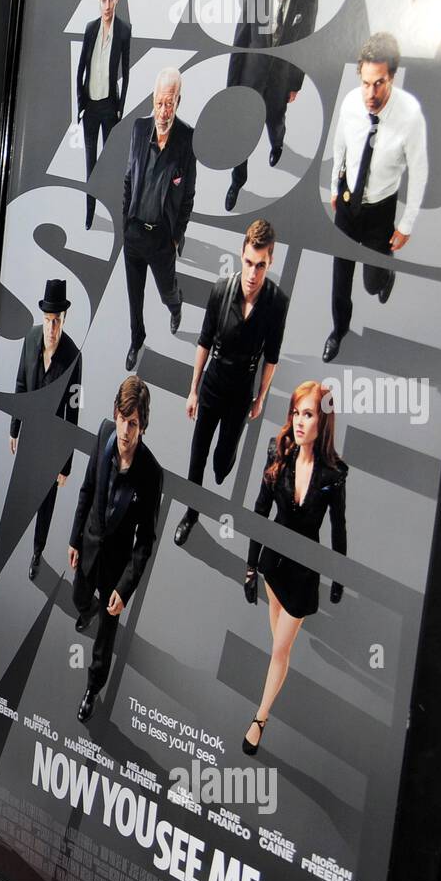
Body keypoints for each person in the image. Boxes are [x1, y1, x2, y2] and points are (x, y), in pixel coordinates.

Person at [243, 381, 348, 754]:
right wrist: (251, 566)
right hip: (273, 562)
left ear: (323, 422)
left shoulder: (334, 474)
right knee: (279, 646)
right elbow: (259, 510)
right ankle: (276, 681)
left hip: (304, 573)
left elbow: (338, 525)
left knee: (279, 651)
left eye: (309, 414)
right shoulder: (278, 450)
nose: (300, 421)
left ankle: (260, 719)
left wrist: (338, 576)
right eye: (296, 413)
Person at [175, 219, 288, 547]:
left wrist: (261, 397)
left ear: (271, 262)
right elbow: (204, 341)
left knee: (222, 462)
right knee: (198, 453)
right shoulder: (222, 290)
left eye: (261, 265)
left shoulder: (276, 303)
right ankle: (190, 514)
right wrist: (193, 389)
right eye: (249, 263)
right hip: (213, 384)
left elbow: (273, 357)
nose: (253, 274)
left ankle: (226, 458)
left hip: (242, 391)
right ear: (242, 255)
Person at [324, 31, 427, 362]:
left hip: (381, 210)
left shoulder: (409, 115)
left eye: (379, 83)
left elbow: (420, 170)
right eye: (366, 82)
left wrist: (407, 224)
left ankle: (385, 272)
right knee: (341, 277)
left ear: (392, 77)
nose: (371, 92)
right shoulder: (351, 103)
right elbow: (340, 143)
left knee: (371, 284)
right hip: (348, 202)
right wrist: (333, 185)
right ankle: (339, 330)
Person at [68, 376, 164, 723]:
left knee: (105, 640)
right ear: (115, 415)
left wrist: (125, 589)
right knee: (78, 600)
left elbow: (146, 541)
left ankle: (93, 688)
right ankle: (87, 608)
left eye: (133, 423)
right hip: (89, 545)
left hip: (117, 567)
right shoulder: (103, 434)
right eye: (123, 420)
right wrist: (75, 538)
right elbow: (87, 488)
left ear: (143, 425)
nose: (125, 430)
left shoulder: (151, 473)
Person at [224, 0, 319, 213]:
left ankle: (277, 145)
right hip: (250, 78)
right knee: (242, 134)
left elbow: (306, 37)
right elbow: (240, 42)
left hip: (281, 80)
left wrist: (296, 83)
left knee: (276, 120)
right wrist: (231, 90)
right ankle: (238, 179)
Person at [120, 69, 196, 371]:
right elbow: (128, 177)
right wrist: (126, 221)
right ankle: (136, 340)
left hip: (163, 238)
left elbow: (188, 196)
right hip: (135, 234)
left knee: (167, 291)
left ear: (178, 102)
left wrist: (176, 237)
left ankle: (176, 307)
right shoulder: (139, 129)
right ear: (153, 100)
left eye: (170, 104)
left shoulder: (187, 139)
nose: (164, 111)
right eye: (159, 103)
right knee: (134, 297)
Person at [10, 279, 83, 580]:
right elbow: (20, 384)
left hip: (53, 443)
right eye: (48, 320)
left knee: (46, 501)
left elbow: (73, 413)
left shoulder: (74, 357)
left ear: (64, 319)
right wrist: (15, 428)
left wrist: (66, 464)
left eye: (57, 321)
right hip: (29, 436)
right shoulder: (29, 339)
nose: (52, 328)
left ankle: (37, 552)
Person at [76, 0, 131, 230]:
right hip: (90, 108)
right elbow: (80, 70)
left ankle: (113, 216)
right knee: (91, 166)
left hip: (110, 107)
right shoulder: (90, 29)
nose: (107, 5)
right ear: (99, 0)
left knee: (110, 166)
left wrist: (121, 108)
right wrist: (79, 105)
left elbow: (127, 71)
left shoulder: (124, 30)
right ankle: (89, 214)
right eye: (103, 0)